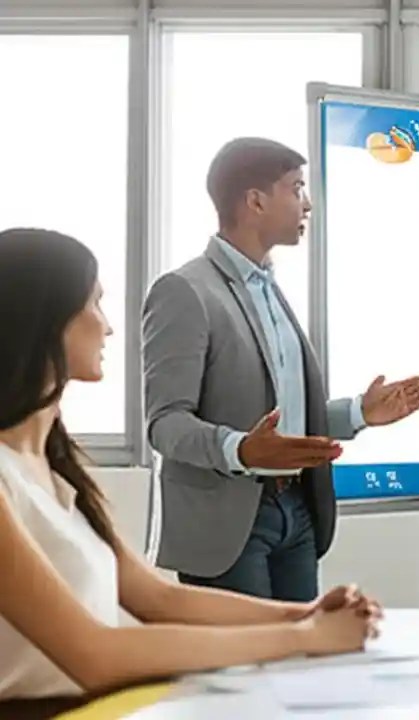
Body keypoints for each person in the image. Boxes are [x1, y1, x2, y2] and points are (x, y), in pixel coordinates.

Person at [0, 228, 382, 701]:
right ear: (44, 320)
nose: (108, 326)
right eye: (95, 304)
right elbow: (96, 655)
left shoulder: (55, 470)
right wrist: (303, 638)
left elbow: (159, 600)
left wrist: (302, 614)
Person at [142, 137, 419, 601]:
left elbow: (284, 418)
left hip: (295, 512)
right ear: (255, 201)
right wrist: (243, 450)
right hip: (229, 525)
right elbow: (165, 425)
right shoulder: (185, 291)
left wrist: (359, 412)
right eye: (296, 188)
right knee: (246, 671)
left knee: (302, 666)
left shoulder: (269, 288)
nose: (308, 203)